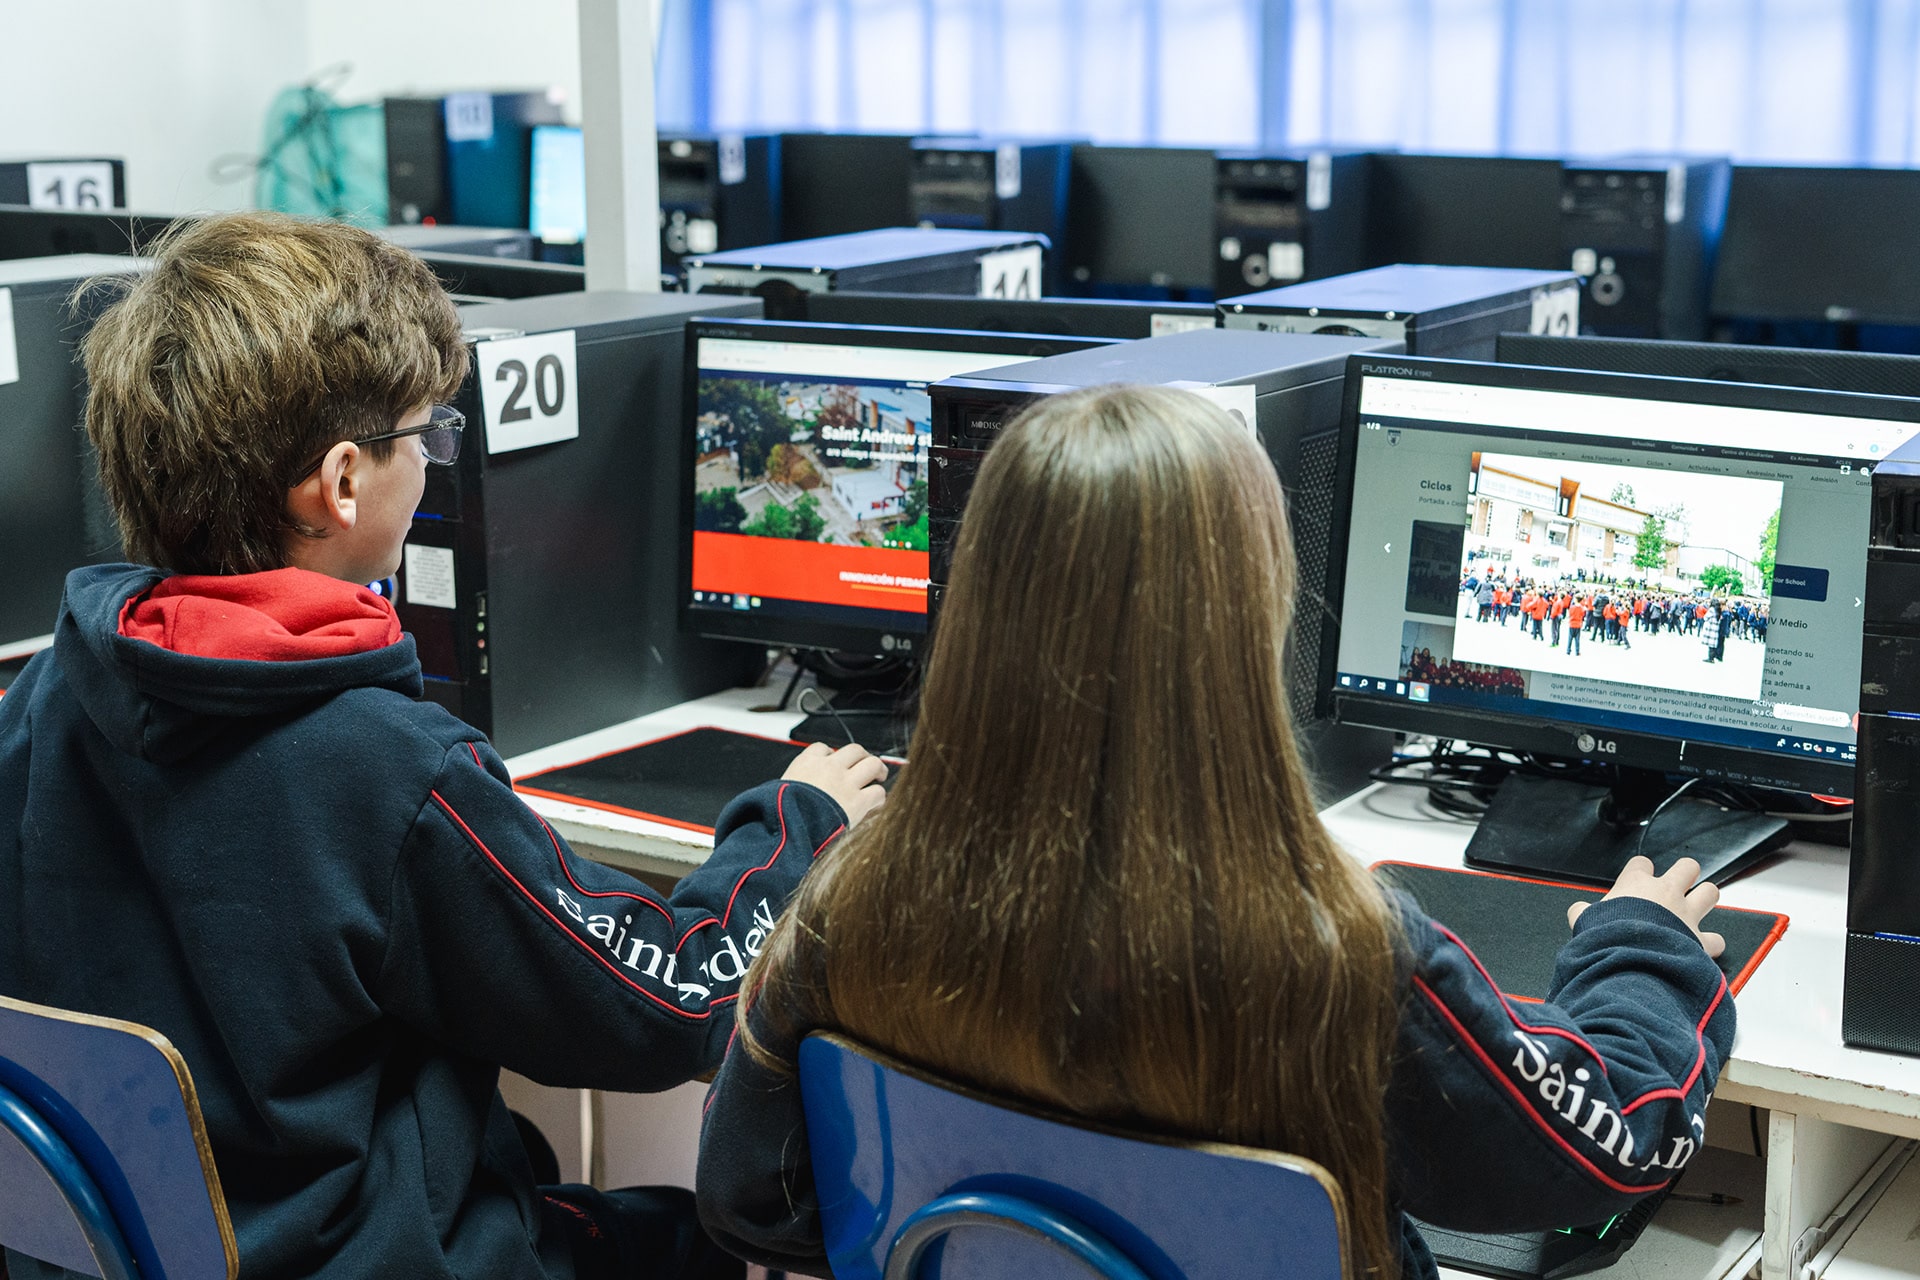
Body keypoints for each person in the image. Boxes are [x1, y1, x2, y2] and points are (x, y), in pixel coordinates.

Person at [0, 212, 891, 1280]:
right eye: (424, 435)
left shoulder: (47, 691)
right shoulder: (384, 767)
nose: (432, 458)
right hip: (374, 1257)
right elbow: (673, 1004)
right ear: (341, 484)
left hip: (126, 1249)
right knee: (697, 1232)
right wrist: (799, 823)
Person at [692, 386, 1734, 1280]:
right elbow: (1608, 1149)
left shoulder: (849, 901)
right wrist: (1645, 944)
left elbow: (751, 1197)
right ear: (1246, 618)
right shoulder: (1342, 952)